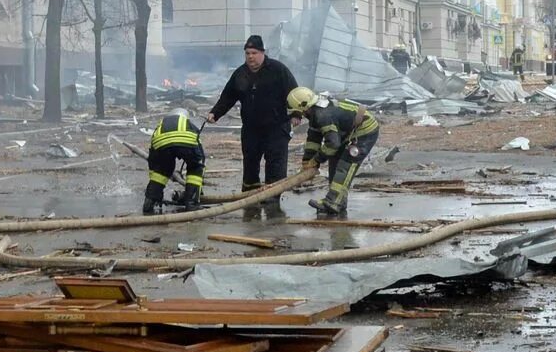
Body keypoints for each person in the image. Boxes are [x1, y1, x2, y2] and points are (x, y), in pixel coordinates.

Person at [205, 35, 299, 220]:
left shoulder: (278, 70)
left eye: (254, 53)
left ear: (263, 53)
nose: (250, 57)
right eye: (247, 53)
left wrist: (296, 114)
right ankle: (250, 196)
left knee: (275, 164)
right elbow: (228, 97)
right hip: (251, 129)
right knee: (250, 163)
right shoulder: (240, 74)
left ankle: (272, 199)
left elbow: (294, 92)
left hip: (276, 127)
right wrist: (215, 113)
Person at [288, 87, 381, 219]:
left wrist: (316, 161)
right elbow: (314, 138)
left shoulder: (322, 115)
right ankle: (338, 202)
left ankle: (332, 202)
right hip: (346, 132)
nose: (299, 115)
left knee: (346, 164)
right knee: (335, 163)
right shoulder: (315, 112)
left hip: (364, 130)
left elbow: (332, 144)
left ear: (302, 107)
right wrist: (307, 161)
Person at [142, 109, 206, 215]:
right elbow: (200, 154)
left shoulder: (160, 125)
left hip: (160, 143)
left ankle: (150, 201)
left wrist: (154, 172)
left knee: (161, 171)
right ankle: (191, 202)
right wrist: (198, 186)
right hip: (186, 142)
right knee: (195, 168)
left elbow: (152, 158)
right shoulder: (188, 123)